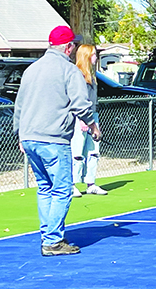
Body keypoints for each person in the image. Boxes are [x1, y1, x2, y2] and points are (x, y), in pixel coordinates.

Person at [13, 26, 101, 256]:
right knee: (62, 189)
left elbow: (19, 105)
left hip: (30, 138)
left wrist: (20, 134)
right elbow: (81, 104)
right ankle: (53, 240)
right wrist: (92, 124)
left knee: (45, 188)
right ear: (68, 46)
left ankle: (49, 235)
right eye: (73, 44)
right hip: (53, 139)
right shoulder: (69, 70)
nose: (74, 49)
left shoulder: (31, 70)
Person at [71, 44, 107, 197]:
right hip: (81, 119)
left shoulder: (92, 76)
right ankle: (71, 184)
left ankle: (90, 183)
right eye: (93, 54)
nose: (96, 57)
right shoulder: (77, 75)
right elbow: (77, 100)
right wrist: (82, 120)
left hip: (93, 117)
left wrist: (92, 122)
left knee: (93, 151)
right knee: (77, 153)